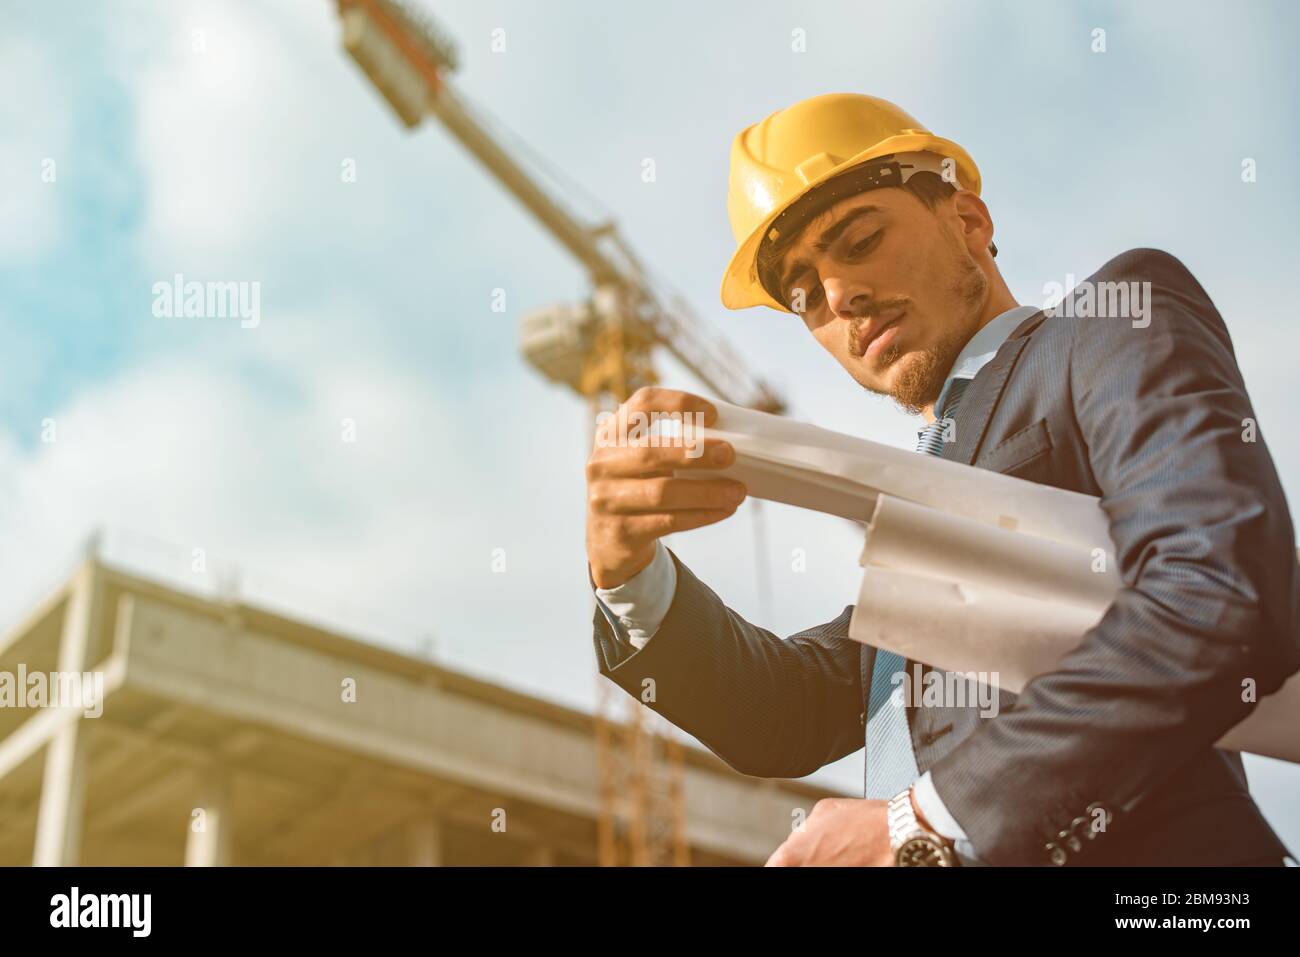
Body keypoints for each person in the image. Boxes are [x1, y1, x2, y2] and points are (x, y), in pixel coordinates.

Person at [584, 93, 1300, 866]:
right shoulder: (926, 500)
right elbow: (778, 713)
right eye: (802, 294)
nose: (836, 297)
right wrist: (628, 576)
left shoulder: (1106, 326)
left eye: (859, 239)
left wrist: (918, 823)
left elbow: (1220, 588)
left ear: (969, 222)